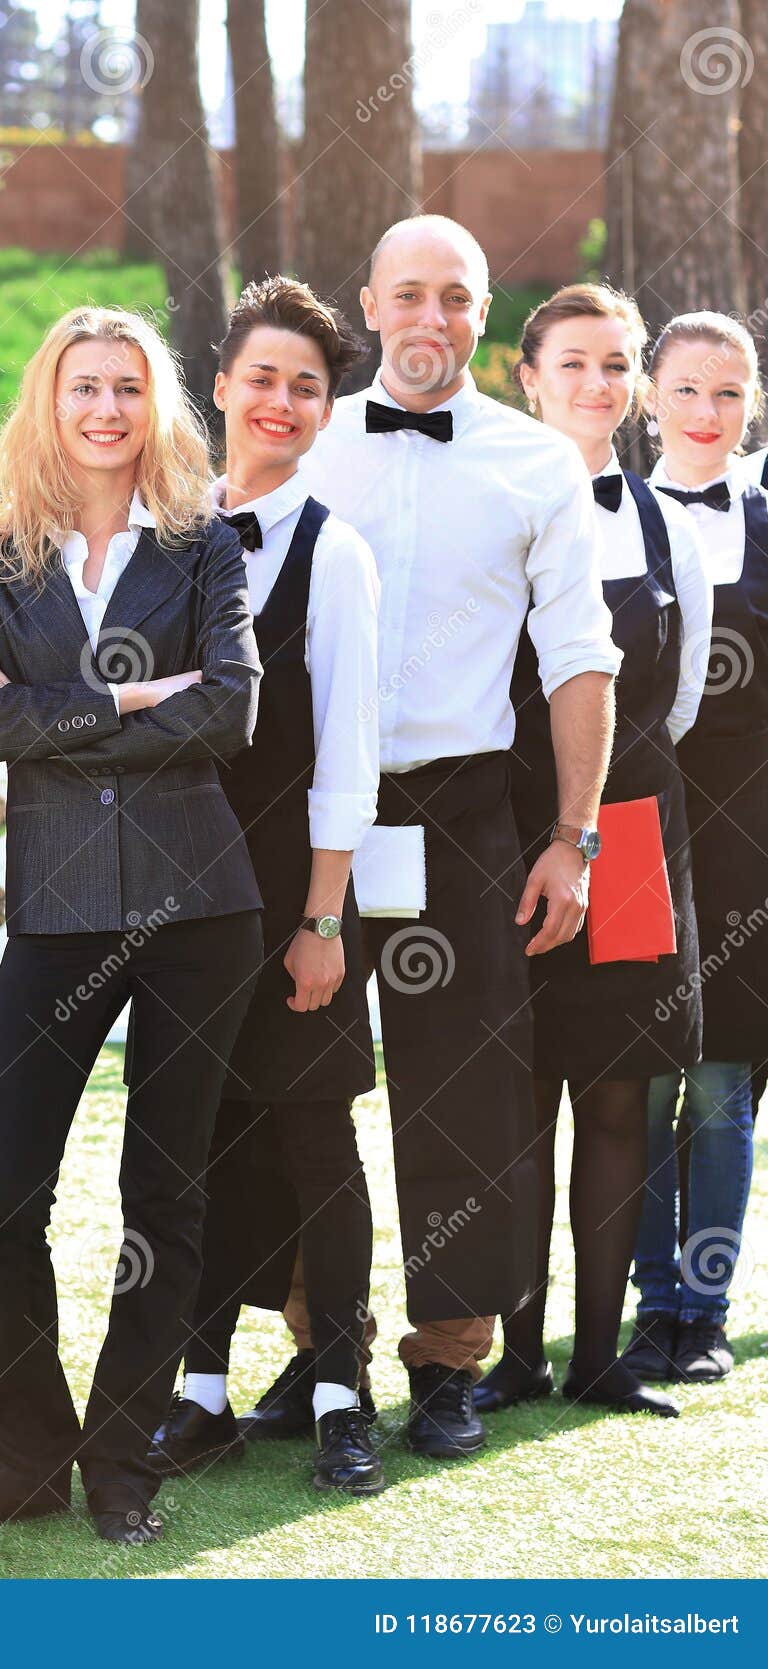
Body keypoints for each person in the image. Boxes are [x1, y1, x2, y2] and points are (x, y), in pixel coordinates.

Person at [270, 217, 621, 1459]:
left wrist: (572, 837)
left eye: (455, 298)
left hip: (463, 811)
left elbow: (581, 658)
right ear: (368, 303)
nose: (429, 319)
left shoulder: (537, 464)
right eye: (407, 294)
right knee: (299, 1082)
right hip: (314, 814)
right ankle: (321, 1353)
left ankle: (446, 1364)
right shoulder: (303, 445)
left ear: (482, 314)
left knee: (463, 1090)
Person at [0, 306, 264, 1545]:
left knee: (160, 1198)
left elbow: (228, 710)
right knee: (1, 1194)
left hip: (198, 906)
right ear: (47, 402)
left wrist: (51, 715)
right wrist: (124, 694)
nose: (106, 408)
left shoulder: (206, 546)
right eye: (83, 387)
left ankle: (123, 1457)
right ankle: (27, 1453)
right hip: (57, 913)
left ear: (155, 405)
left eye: (127, 386)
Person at [145, 277, 383, 1495]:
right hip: (177, 896)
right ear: (220, 387)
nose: (281, 400)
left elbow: (348, 753)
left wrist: (320, 921)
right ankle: (197, 1394)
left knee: (311, 1139)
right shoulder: (160, 531)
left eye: (306, 384)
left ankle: (343, 1394)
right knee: (192, 1140)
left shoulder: (336, 556)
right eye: (262, 377)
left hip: (292, 895)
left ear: (323, 408)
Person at [479, 284, 709, 1419]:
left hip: (630, 830)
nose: (597, 384)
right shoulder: (494, 500)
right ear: (526, 376)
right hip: (508, 832)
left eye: (616, 364)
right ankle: (511, 1357)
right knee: (516, 1098)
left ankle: (596, 1357)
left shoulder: (662, 516)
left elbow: (679, 701)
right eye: (573, 363)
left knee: (621, 1099)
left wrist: (609, 816)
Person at [622, 312, 767, 1387]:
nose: (707, 414)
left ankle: (703, 1311)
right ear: (647, 395)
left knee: (721, 1083)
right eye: (685, 390)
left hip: (750, 843)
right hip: (631, 827)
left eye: (728, 393)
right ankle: (647, 1307)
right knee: (639, 1078)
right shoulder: (605, 518)